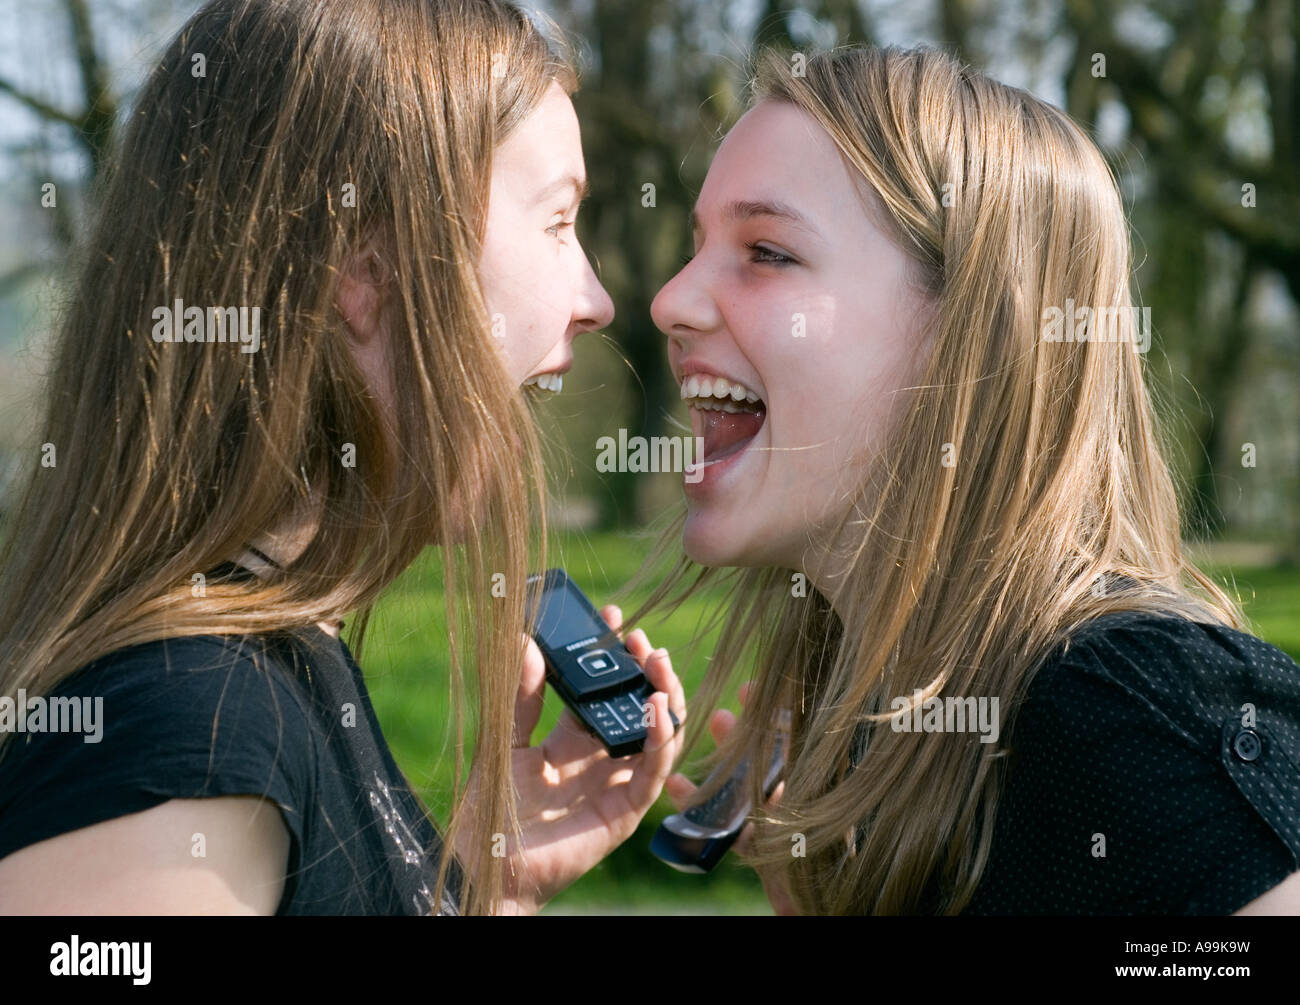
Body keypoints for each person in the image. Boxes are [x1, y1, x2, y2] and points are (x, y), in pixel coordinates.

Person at [0, 0, 685, 916]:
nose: (598, 297)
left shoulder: (275, 667)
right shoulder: (186, 744)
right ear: (361, 274)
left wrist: (487, 887)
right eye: (559, 222)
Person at [644, 44, 1300, 915]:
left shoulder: (1132, 710)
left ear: (970, 333)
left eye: (765, 250)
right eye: (696, 247)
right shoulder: (883, 729)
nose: (670, 300)